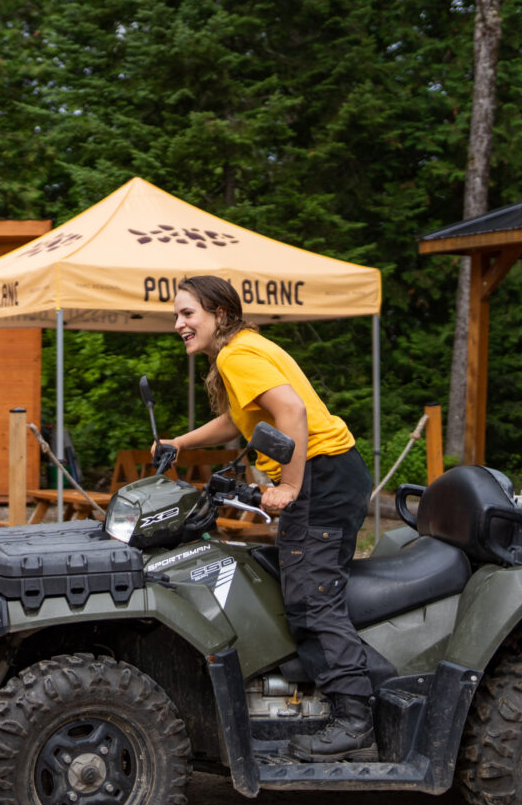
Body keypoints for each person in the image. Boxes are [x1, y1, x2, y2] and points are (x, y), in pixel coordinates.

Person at [157, 275, 376, 761]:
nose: (179, 324)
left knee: (312, 595)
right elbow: (241, 420)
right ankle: (314, 696)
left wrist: (291, 486)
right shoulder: (243, 348)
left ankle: (354, 717)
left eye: (187, 313)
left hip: (322, 475)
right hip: (329, 472)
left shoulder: (238, 354)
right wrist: (181, 444)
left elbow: (292, 413)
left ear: (217, 312)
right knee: (297, 586)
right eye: (177, 315)